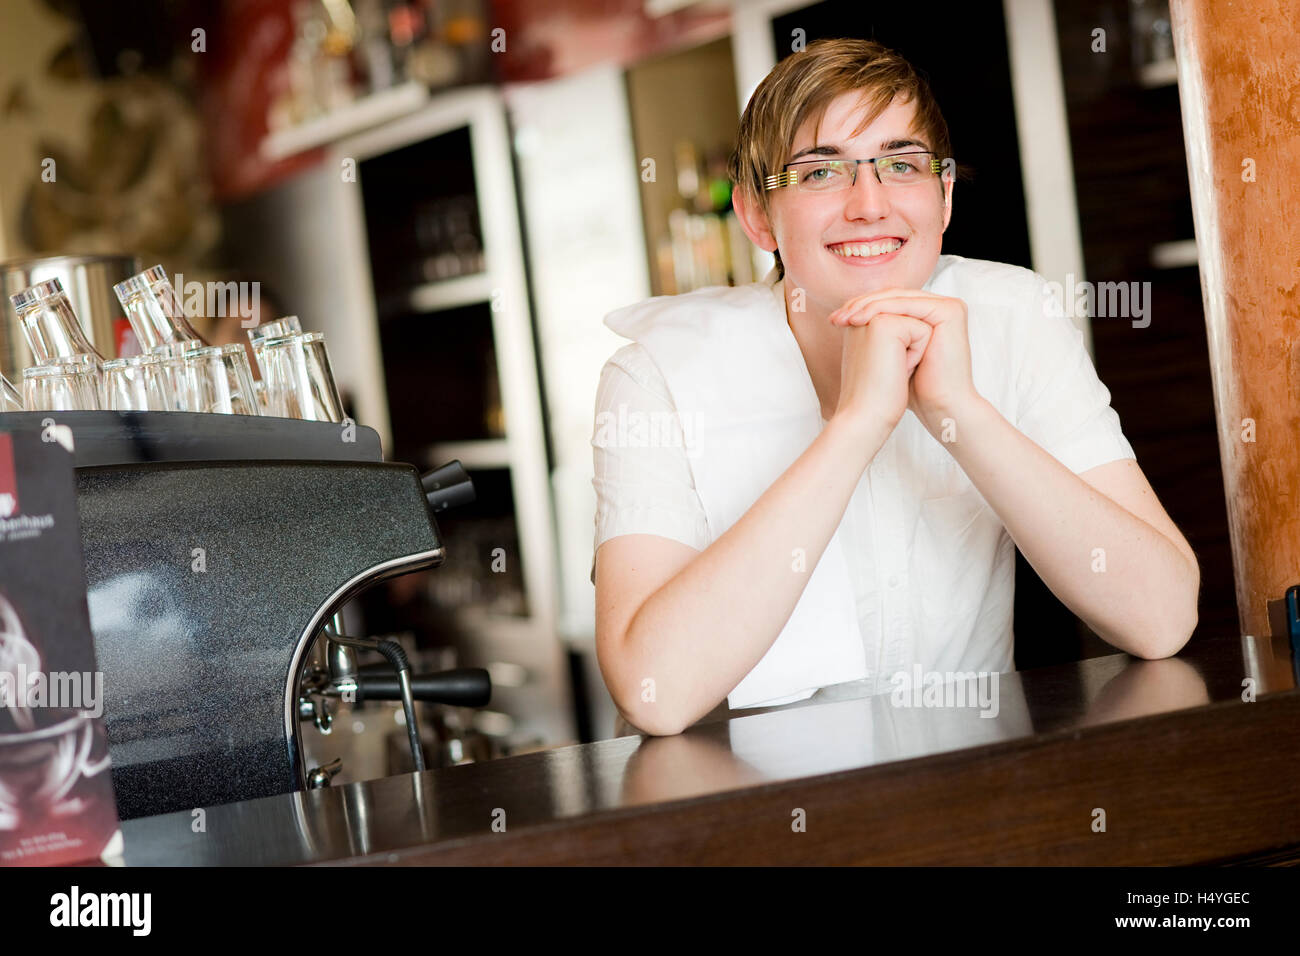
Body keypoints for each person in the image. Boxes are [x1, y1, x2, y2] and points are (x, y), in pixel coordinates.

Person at [591, 38, 1199, 737]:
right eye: (821, 172)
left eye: (901, 164)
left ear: (944, 197)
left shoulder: (1014, 317)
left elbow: (1161, 618)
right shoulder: (656, 376)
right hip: (746, 791)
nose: (869, 205)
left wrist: (961, 413)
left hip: (970, 776)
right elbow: (653, 693)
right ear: (757, 215)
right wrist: (856, 426)